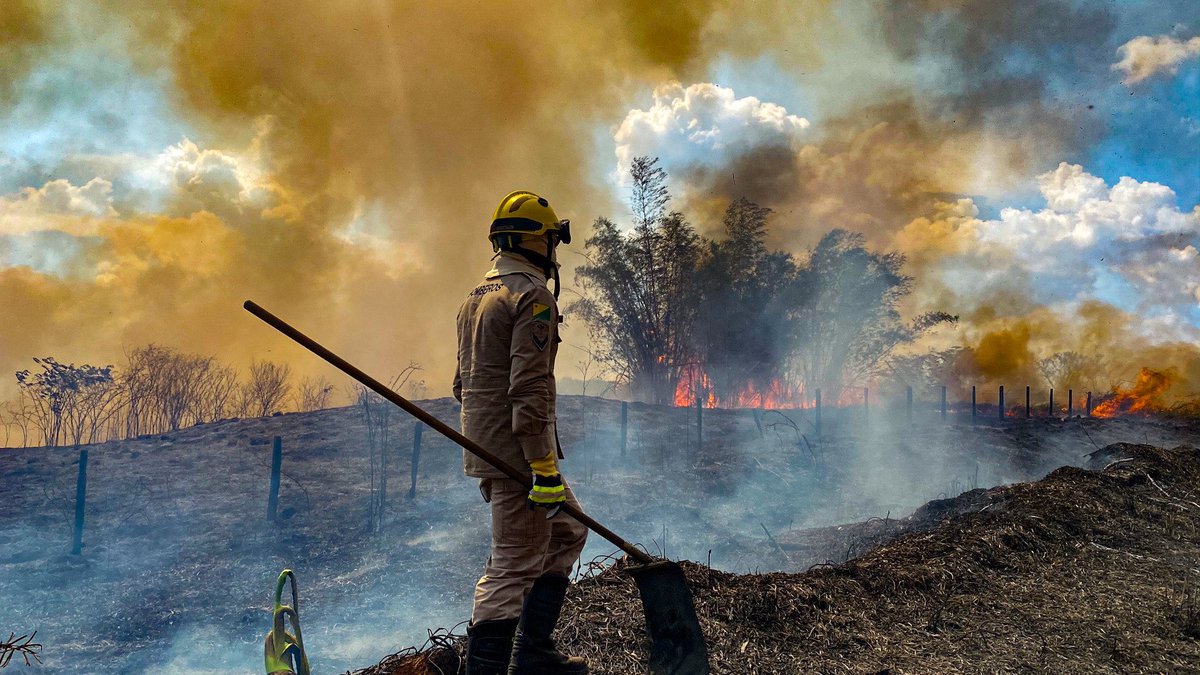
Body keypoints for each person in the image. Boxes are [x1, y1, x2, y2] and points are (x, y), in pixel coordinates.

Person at [454, 191, 589, 675]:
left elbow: (460, 384)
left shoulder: (475, 298)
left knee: (569, 530)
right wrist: (541, 465)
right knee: (512, 564)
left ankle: (534, 655)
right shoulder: (533, 296)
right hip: (519, 457)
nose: (555, 251)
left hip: (495, 448)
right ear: (539, 241)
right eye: (553, 240)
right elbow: (529, 388)